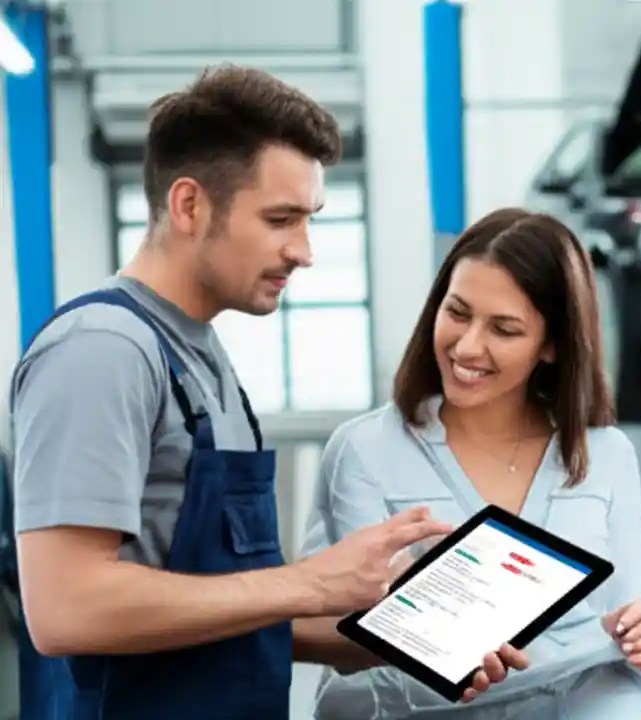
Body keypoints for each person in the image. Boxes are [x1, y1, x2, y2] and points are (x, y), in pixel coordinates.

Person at [8, 65, 526, 720]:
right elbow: (65, 610)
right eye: (281, 219)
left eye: (309, 220)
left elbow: (223, 615)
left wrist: (402, 638)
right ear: (189, 205)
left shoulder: (202, 357)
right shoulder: (102, 352)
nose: (304, 251)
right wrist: (312, 582)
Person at [299, 208, 641, 719]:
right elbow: (336, 632)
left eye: (504, 329)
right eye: (457, 313)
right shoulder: (364, 450)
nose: (468, 347)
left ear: (552, 345)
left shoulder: (606, 454)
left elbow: (633, 619)